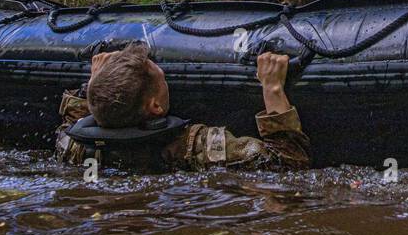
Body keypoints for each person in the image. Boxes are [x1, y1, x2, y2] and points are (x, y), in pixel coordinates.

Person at [55, 41, 309, 171]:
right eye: (162, 78)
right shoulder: (194, 148)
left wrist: (96, 83)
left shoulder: (75, 149)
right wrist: (273, 88)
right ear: (155, 106)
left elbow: (70, 123)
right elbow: (287, 164)